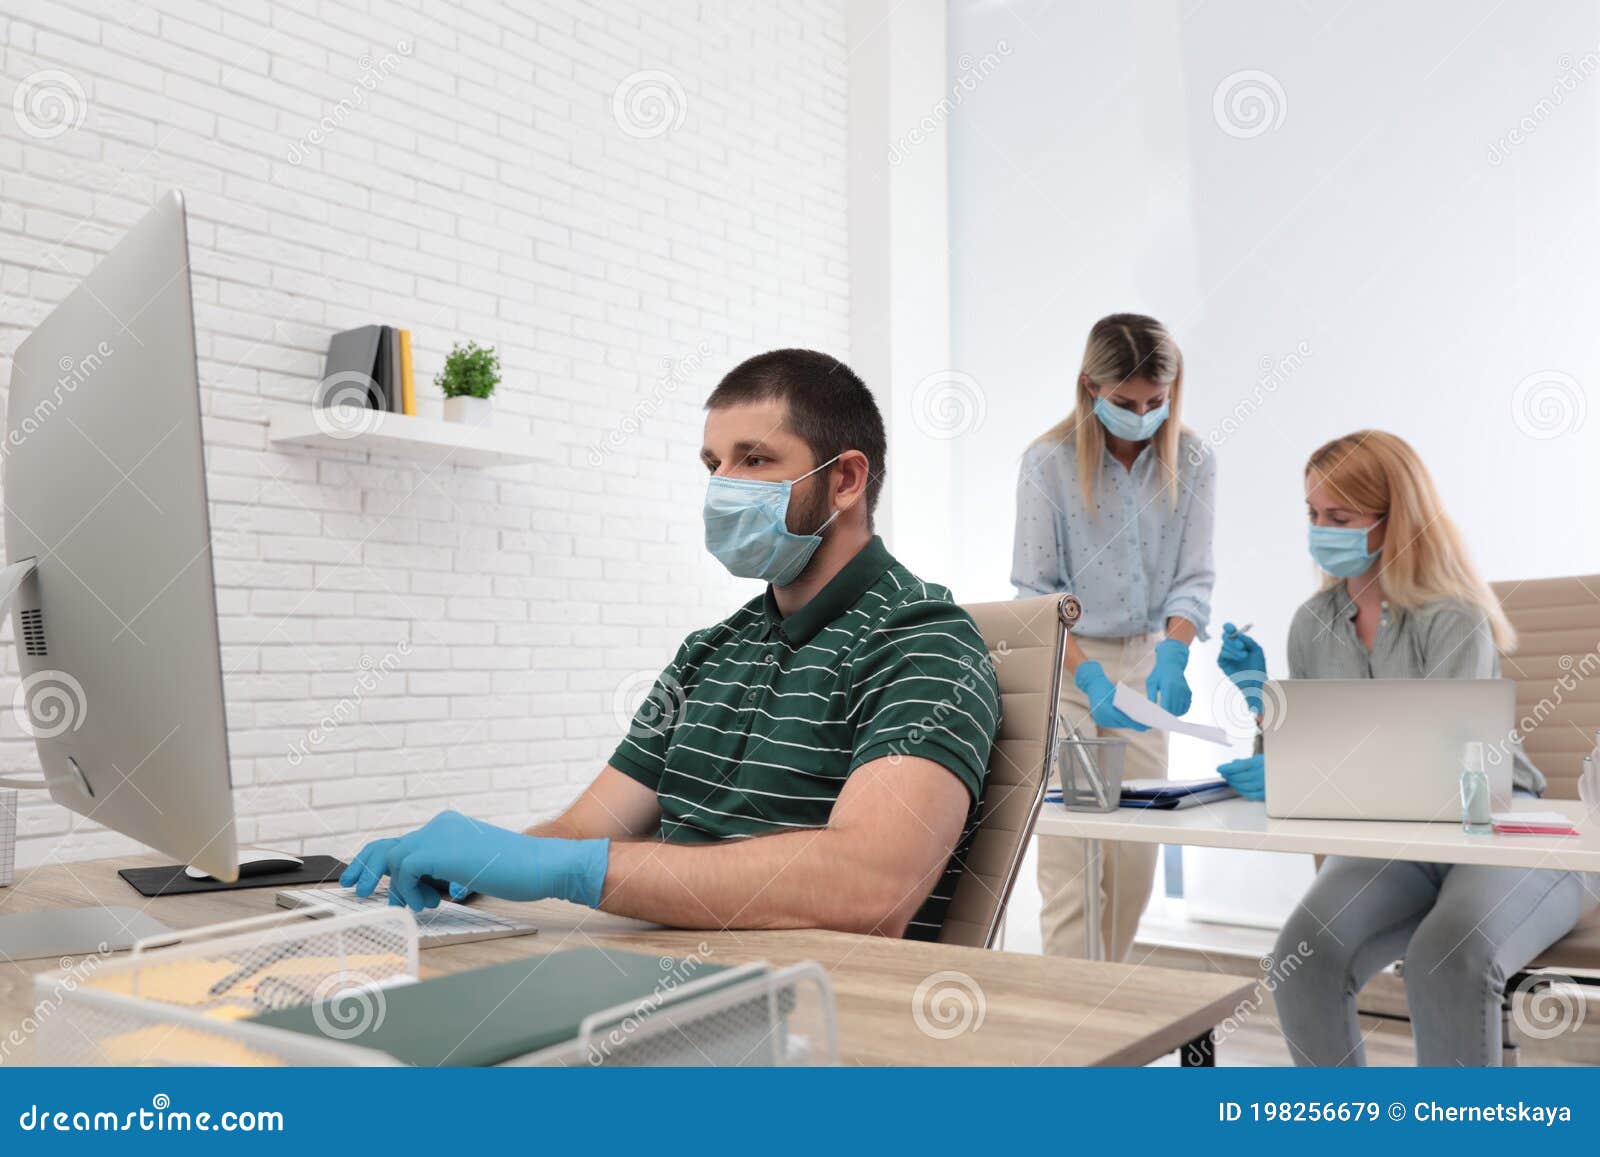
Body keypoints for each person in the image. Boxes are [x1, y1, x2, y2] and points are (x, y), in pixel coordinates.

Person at [342, 349, 1001, 940]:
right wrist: (476, 868)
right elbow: (582, 832)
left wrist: (567, 869)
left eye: (756, 459)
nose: (723, 486)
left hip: (811, 1011)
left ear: (847, 480)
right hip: (655, 978)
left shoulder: (922, 640)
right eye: (714, 464)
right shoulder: (709, 651)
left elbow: (871, 884)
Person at [1216, 430, 1594, 1066]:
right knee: (1302, 958)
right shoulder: (1312, 623)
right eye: (1312, 514)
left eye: (1339, 517)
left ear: (1398, 520)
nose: (1319, 530)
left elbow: (1450, 770)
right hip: (1393, 838)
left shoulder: (1453, 615)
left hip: (1503, 829)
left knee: (1448, 956)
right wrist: (1260, 698)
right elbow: (1303, 762)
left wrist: (1304, 771)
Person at [1012, 314, 1215, 961]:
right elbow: (1038, 592)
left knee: (1132, 866)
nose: (1144, 414)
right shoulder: (1047, 465)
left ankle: (1105, 1016)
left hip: (1147, 663)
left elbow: (1194, 578)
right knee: (1073, 871)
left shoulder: (1195, 461)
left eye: (1157, 401)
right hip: (1071, 671)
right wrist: (1089, 678)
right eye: (1127, 402)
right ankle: (1076, 1045)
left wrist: (1176, 652)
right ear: (1090, 387)